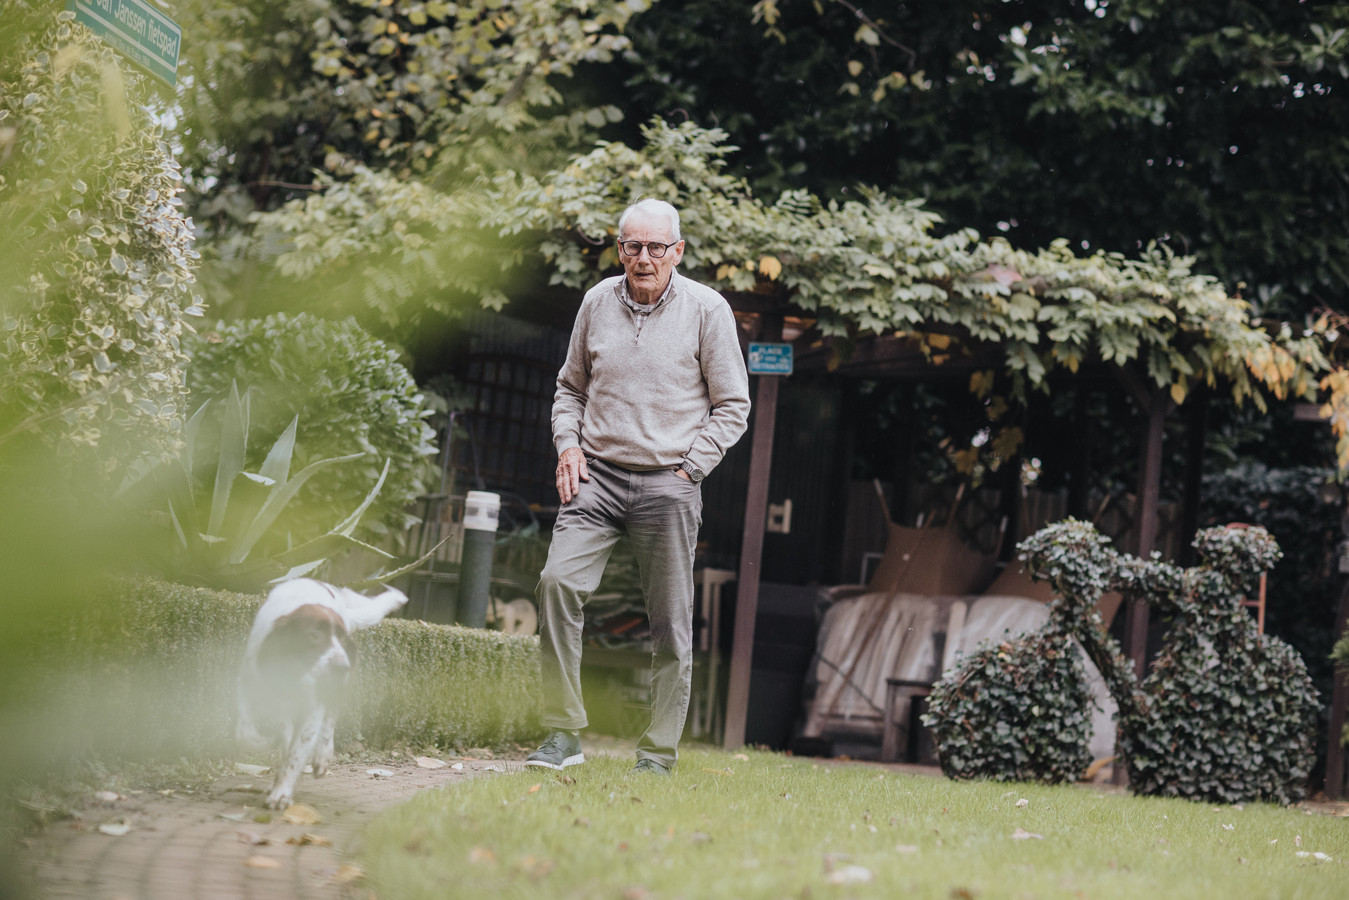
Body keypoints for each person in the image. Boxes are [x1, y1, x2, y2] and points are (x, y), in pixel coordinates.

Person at [527, 198, 751, 775]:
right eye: (632, 246)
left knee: (671, 622)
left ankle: (657, 753)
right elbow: (569, 389)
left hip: (669, 482)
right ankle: (562, 734)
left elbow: (733, 406)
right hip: (595, 477)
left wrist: (690, 469)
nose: (643, 257)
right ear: (619, 248)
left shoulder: (708, 309)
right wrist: (567, 445)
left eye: (656, 247)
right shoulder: (597, 302)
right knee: (556, 583)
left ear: (677, 251)